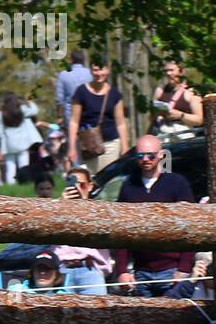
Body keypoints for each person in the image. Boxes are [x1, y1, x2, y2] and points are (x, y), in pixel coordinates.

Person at [110, 135, 196, 298]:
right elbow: (120, 233)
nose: (146, 159)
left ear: (161, 155)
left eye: (151, 155)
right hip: (141, 273)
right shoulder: (128, 187)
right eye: (140, 155)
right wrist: (122, 270)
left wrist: (184, 268)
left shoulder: (177, 183)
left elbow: (191, 229)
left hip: (172, 272)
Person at [54, 167, 112, 294]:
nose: (77, 188)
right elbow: (47, 227)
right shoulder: (57, 209)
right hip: (63, 271)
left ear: (90, 186)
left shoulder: (100, 210)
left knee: (98, 313)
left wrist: (84, 203)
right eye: (73, 184)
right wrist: (60, 206)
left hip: (90, 269)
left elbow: (103, 231)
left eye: (82, 185)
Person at [67, 58, 129, 172]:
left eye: (102, 70)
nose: (99, 74)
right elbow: (74, 121)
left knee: (108, 177)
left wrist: (125, 147)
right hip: (89, 144)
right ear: (90, 71)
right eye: (95, 70)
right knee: (90, 178)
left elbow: (120, 123)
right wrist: (71, 147)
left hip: (111, 143)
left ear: (108, 70)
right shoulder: (81, 92)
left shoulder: (115, 94)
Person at [0, 93, 44, 184]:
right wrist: (30, 101)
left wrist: (1, 144)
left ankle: (10, 185)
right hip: (23, 143)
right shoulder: (21, 110)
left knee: (10, 167)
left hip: (9, 144)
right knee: (24, 165)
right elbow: (34, 111)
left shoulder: (0, 114)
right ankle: (24, 182)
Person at [150, 60, 202, 136]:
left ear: (181, 72)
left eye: (171, 70)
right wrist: (158, 113)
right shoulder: (159, 91)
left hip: (184, 135)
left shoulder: (191, 93)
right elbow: (150, 117)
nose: (168, 73)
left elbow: (199, 120)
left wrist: (181, 115)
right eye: (166, 71)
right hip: (163, 134)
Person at [55, 50, 92, 130]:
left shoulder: (63, 75)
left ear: (71, 60)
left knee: (74, 140)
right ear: (83, 59)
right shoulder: (91, 73)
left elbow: (59, 99)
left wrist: (59, 116)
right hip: (89, 113)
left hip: (70, 115)